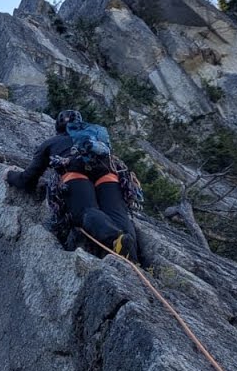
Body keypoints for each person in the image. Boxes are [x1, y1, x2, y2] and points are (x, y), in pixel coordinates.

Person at [7, 109, 140, 260]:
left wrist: (9, 174)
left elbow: (27, 180)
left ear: (58, 128)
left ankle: (116, 239)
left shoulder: (50, 143)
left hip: (76, 175)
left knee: (85, 211)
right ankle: (133, 258)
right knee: (118, 214)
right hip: (108, 175)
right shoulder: (96, 137)